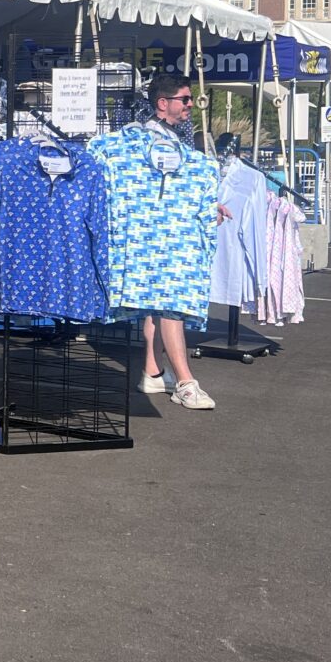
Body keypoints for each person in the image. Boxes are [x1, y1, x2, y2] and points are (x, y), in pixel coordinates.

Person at [133, 73, 230, 411]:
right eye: (185, 99)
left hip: (160, 232)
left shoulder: (169, 137)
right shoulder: (152, 141)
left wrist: (205, 205)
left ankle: (152, 370)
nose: (192, 105)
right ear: (163, 103)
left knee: (156, 306)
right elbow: (159, 189)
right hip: (162, 234)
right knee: (171, 304)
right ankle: (185, 381)